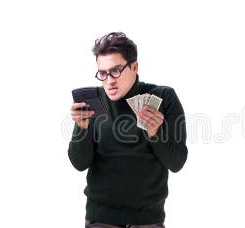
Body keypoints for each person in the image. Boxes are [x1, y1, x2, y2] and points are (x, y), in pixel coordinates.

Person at [68, 32, 188, 228]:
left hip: (148, 219)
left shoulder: (164, 97)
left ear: (134, 66)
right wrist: (80, 130)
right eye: (103, 73)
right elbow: (79, 163)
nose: (109, 81)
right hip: (101, 218)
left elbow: (176, 163)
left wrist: (155, 132)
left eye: (116, 70)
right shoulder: (92, 102)